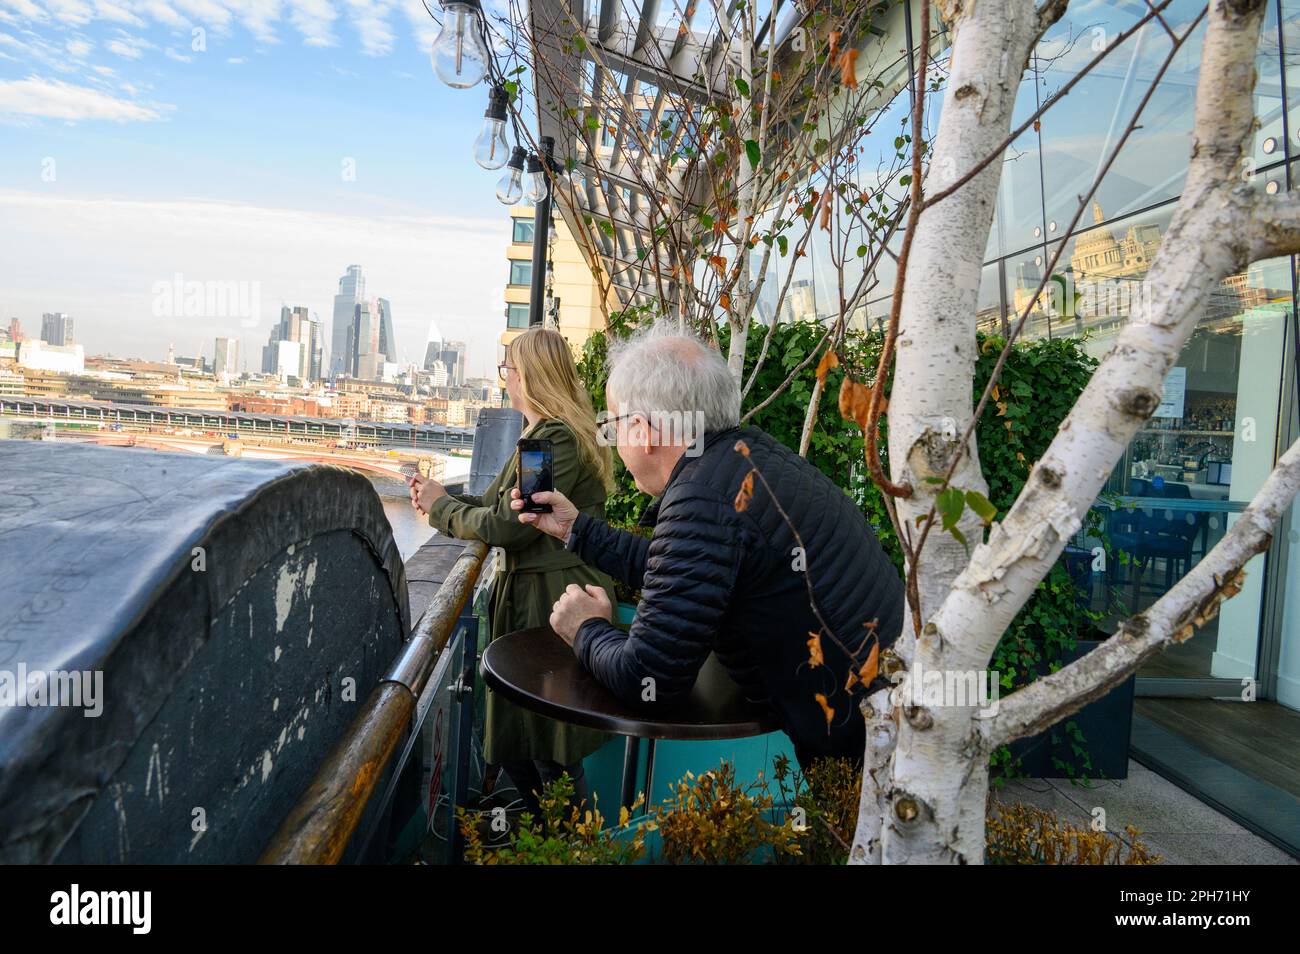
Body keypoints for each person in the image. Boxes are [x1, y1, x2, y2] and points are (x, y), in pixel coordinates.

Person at [512, 323, 905, 768]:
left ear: (642, 430)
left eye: (614, 425)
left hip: (872, 755)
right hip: (891, 723)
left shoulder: (704, 495)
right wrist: (574, 529)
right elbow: (683, 572)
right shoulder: (741, 459)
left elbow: (650, 678)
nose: (615, 440)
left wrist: (585, 628)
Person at [410, 327, 615, 812]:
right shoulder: (544, 439)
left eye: (509, 369)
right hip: (539, 598)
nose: (505, 379)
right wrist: (445, 499)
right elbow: (495, 505)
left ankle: (569, 848)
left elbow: (510, 524)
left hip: (548, 603)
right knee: (527, 741)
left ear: (529, 377)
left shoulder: (550, 443)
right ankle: (558, 840)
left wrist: (441, 510)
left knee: (547, 747)